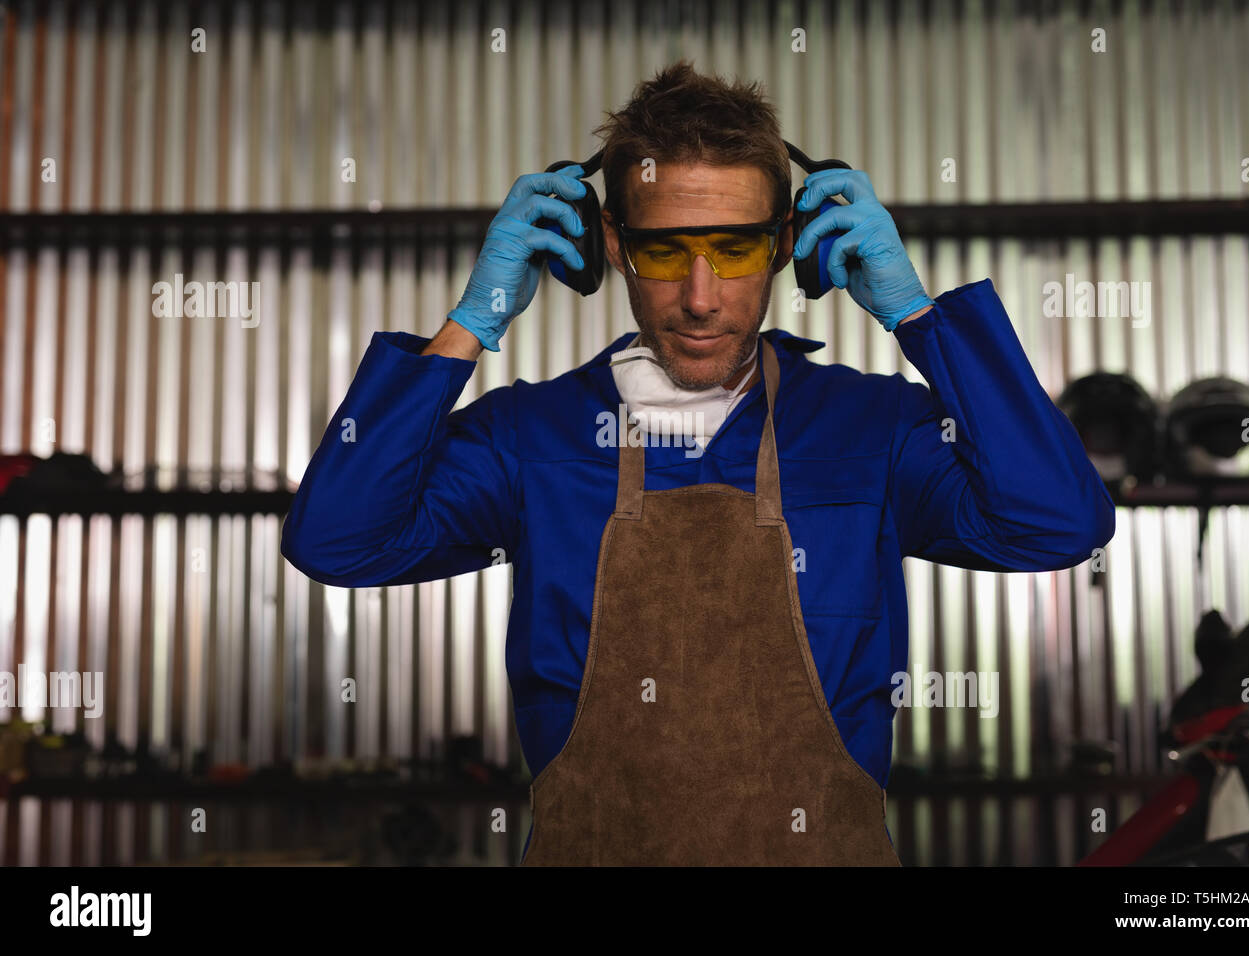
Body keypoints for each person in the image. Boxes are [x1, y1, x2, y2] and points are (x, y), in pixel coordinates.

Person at [281, 61, 1115, 865]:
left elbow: (1056, 522)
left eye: (737, 248)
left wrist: (918, 314)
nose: (703, 295)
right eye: (666, 250)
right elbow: (342, 541)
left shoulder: (876, 431)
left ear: (789, 245)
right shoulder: (529, 439)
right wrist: (472, 319)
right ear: (612, 245)